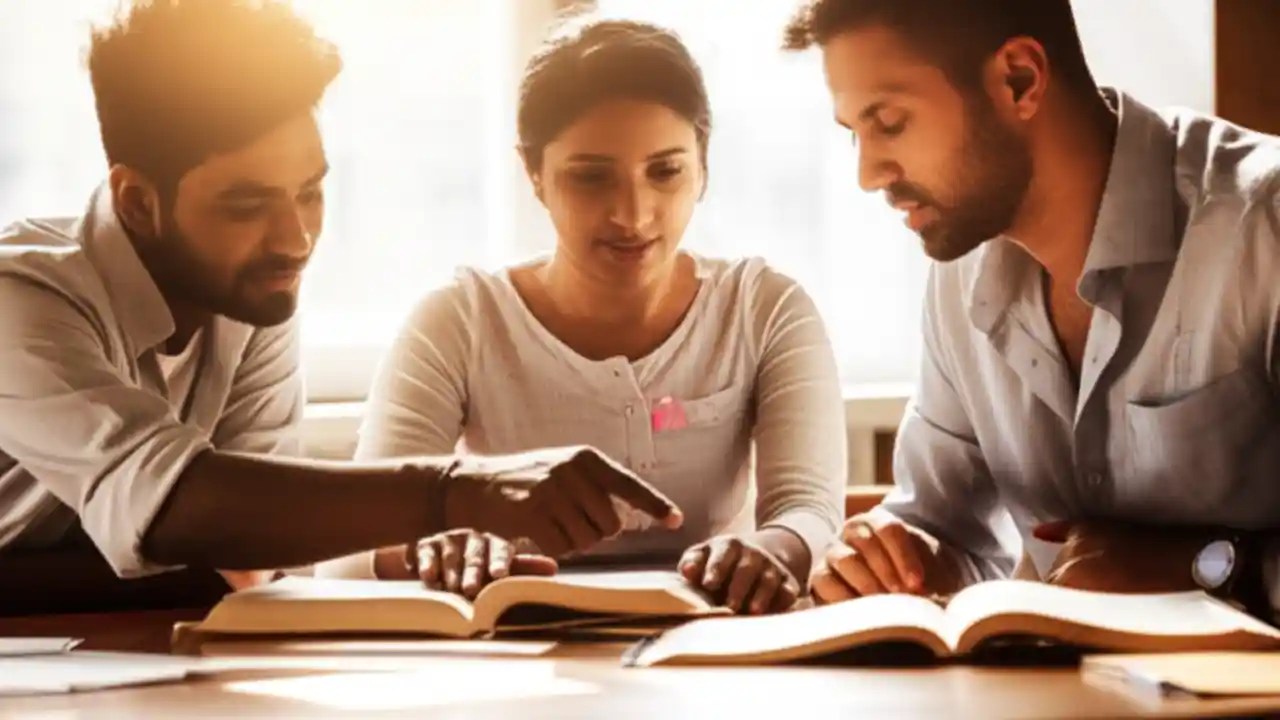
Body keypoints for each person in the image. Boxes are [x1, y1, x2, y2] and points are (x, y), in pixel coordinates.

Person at [0, 0, 680, 598]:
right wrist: (460, 492)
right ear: (139, 202)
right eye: (245, 204)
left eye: (310, 191)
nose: (295, 239)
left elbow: (246, 552)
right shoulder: (20, 297)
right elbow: (177, 504)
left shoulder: (248, 290)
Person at [317, 18, 846, 616]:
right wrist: (429, 550)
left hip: (711, 639)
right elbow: (348, 553)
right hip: (511, 653)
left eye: (666, 171)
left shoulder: (765, 308)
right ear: (534, 175)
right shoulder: (458, 323)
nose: (633, 213)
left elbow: (809, 508)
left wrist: (770, 550)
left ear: (703, 166)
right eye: (591, 177)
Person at [786, 0, 1280, 618]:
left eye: (889, 122)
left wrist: (1202, 565)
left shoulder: (1263, 226)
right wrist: (892, 559)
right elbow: (947, 531)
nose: (867, 173)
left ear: (1019, 79)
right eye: (854, 132)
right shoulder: (959, 271)